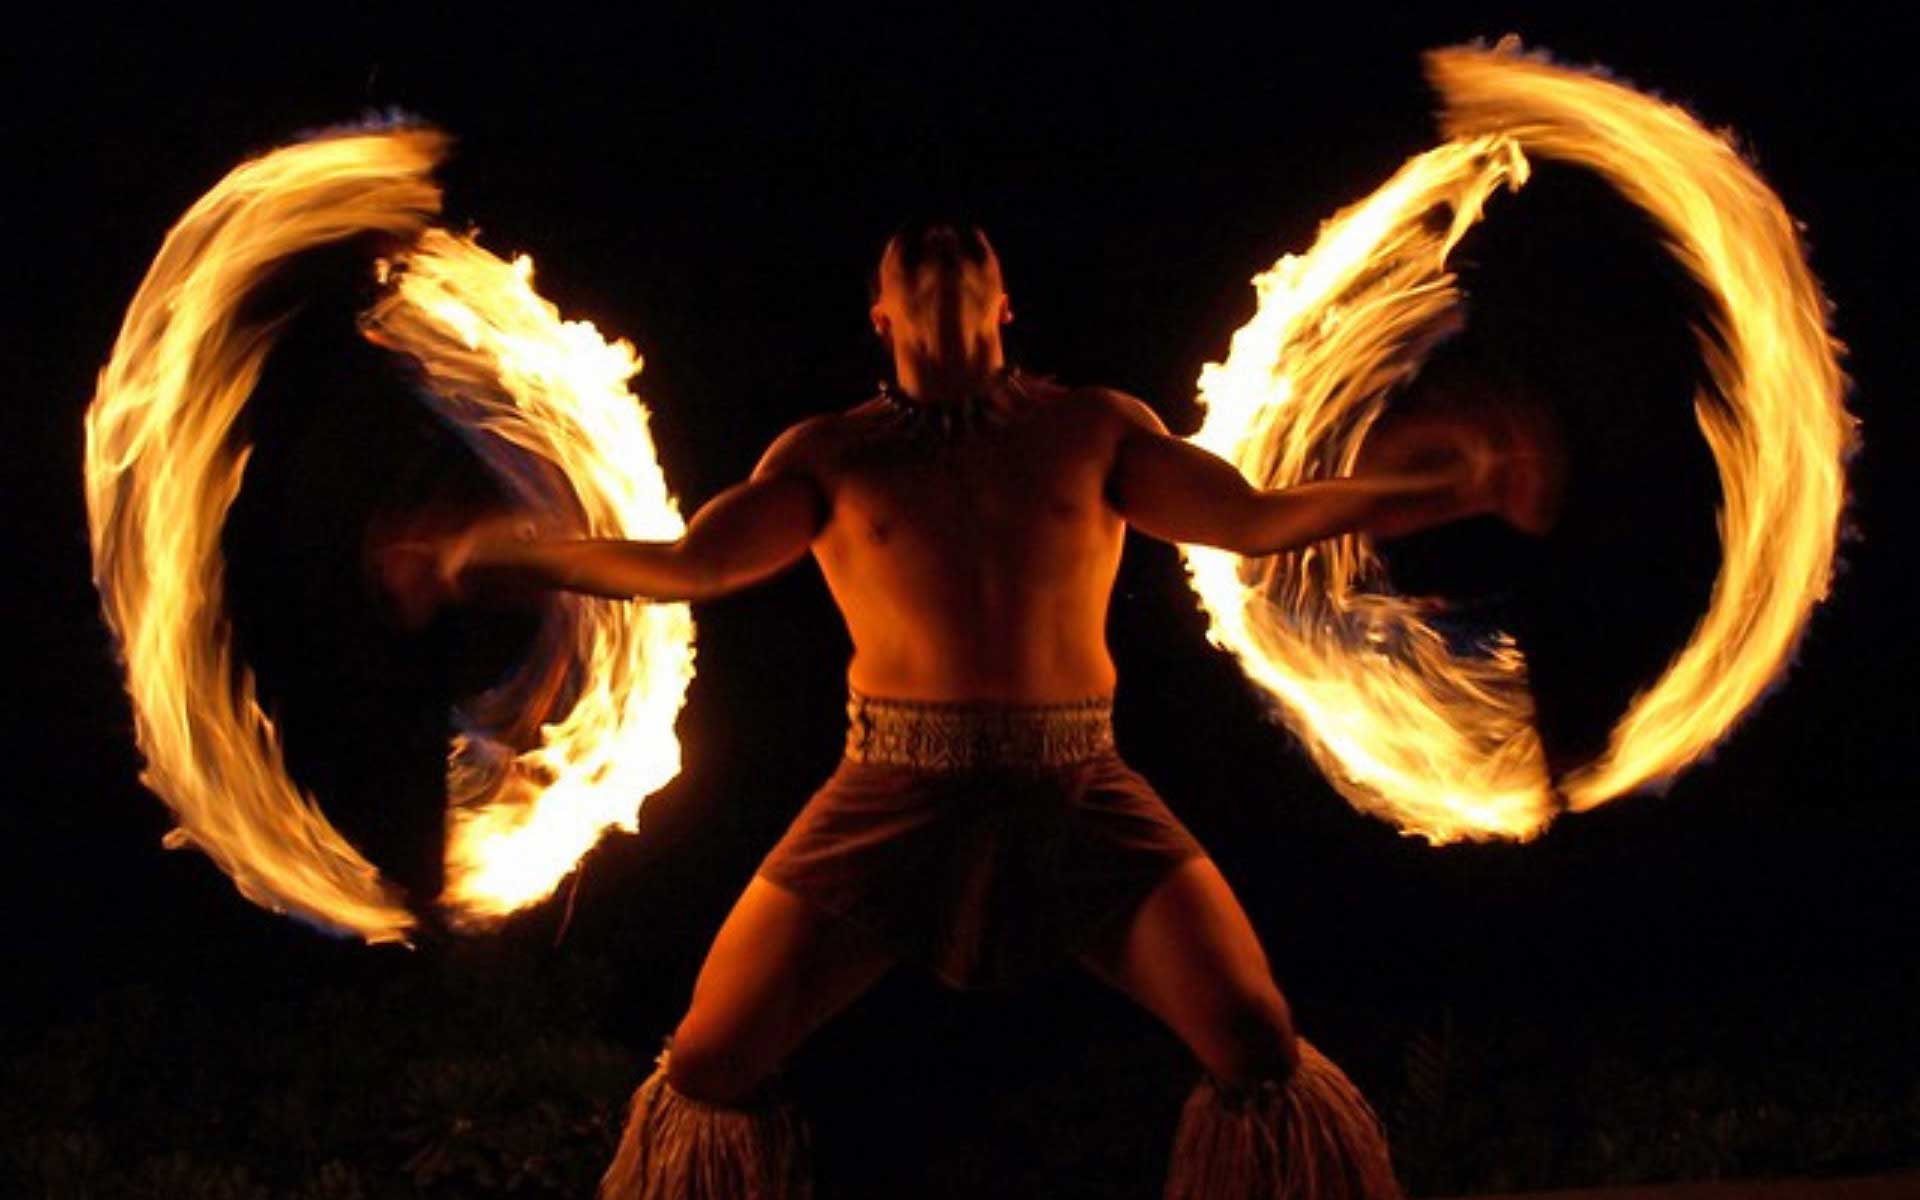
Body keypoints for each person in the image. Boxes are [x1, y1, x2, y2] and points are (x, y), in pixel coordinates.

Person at [380, 220, 1557, 1199]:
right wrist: (494, 550)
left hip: (1081, 789)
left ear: (1005, 308)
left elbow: (1252, 520)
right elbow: (690, 566)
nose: (939, 255)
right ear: (880, 319)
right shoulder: (830, 455)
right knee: (709, 1057)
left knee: (1256, 1038)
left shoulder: (1096, 428)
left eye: (967, 255)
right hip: (892, 788)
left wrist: (1436, 480)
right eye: (910, 260)